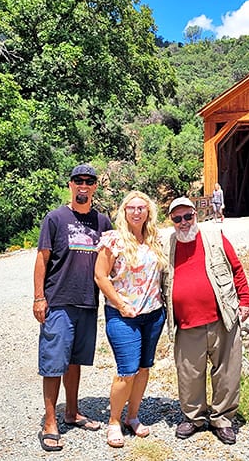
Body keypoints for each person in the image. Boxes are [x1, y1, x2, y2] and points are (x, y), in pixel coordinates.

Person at [33, 164, 113, 452]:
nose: (83, 185)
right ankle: (50, 422)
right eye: (78, 180)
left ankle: (72, 411)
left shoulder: (102, 222)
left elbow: (113, 258)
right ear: (70, 184)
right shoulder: (55, 218)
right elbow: (42, 259)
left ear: (94, 187)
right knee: (54, 361)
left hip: (88, 301)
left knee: (75, 360)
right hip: (59, 300)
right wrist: (39, 297)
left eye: (88, 181)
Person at [163, 197, 249, 445]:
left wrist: (244, 301)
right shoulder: (168, 244)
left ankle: (222, 418)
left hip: (222, 318)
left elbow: (237, 269)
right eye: (177, 218)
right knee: (189, 375)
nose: (183, 223)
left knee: (227, 372)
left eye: (187, 216)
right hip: (187, 324)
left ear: (195, 215)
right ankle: (194, 417)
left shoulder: (214, 237)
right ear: (172, 221)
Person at [94, 191, 167, 448]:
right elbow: (101, 276)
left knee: (144, 368)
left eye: (142, 208)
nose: (137, 212)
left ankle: (132, 416)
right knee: (127, 370)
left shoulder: (154, 239)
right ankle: (114, 421)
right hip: (123, 315)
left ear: (149, 212)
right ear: (124, 211)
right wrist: (120, 304)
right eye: (132, 208)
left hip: (153, 314)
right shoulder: (113, 240)